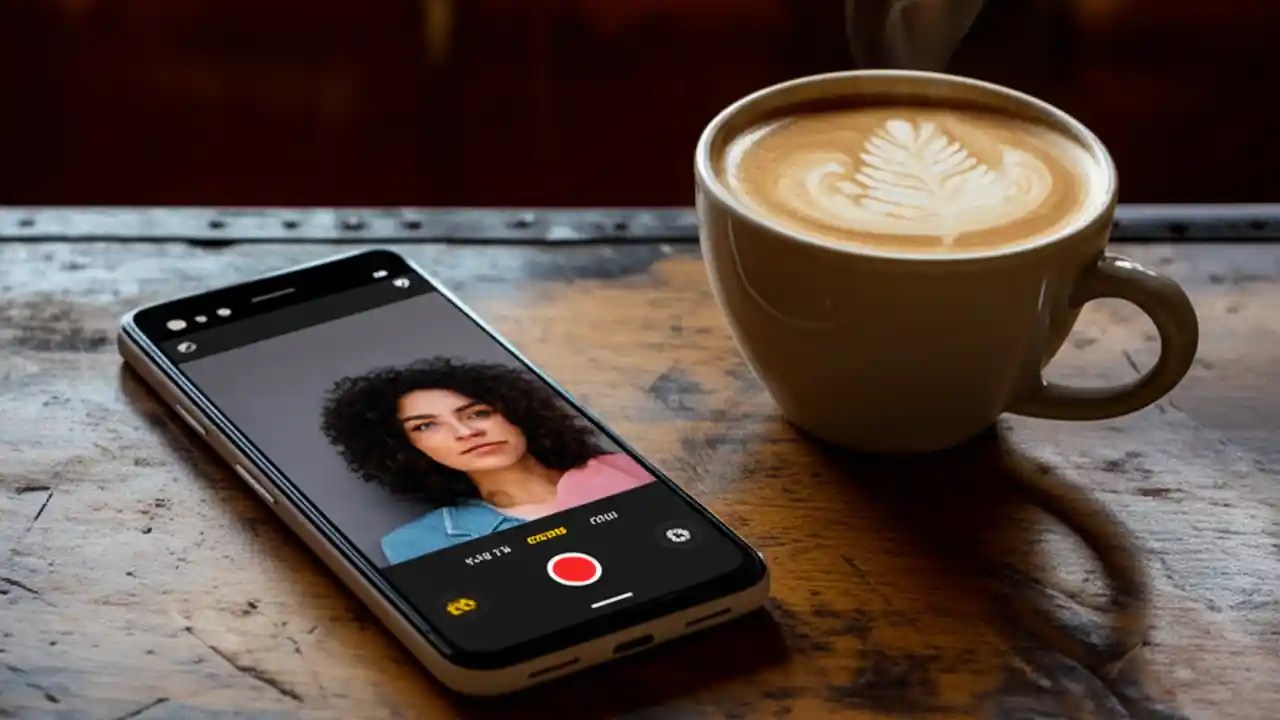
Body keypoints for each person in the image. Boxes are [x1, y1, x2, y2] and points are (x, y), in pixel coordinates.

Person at [320, 356, 655, 564]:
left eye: (478, 413)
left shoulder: (626, 467)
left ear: (515, 413)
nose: (464, 432)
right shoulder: (417, 544)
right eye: (425, 425)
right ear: (405, 447)